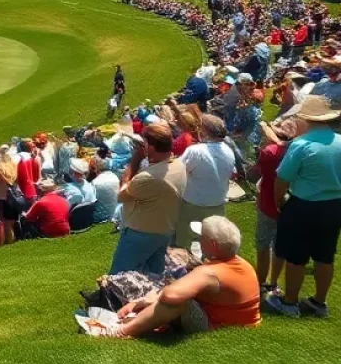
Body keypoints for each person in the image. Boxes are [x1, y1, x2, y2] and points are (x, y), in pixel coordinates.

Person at [98, 216, 260, 338]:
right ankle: (137, 320)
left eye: (201, 237)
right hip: (239, 325)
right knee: (173, 292)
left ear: (213, 245)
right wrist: (137, 304)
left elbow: (171, 296)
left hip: (220, 327)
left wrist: (149, 300)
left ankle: (121, 332)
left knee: (178, 302)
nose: (198, 239)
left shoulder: (210, 272)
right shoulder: (242, 265)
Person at [265, 96, 341, 319]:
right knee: (325, 256)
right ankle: (319, 301)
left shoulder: (302, 144)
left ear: (306, 119)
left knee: (295, 257)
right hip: (334, 207)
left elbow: (282, 179)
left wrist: (279, 202)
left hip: (303, 206)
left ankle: (289, 302)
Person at [109, 121, 185, 275]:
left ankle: (113, 299)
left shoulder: (148, 177)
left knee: (119, 275)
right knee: (154, 274)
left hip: (140, 233)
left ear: (150, 147)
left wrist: (135, 160)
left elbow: (121, 195)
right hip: (164, 230)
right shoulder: (179, 165)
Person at [174, 114, 235, 247]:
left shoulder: (195, 151)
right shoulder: (229, 151)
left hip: (192, 204)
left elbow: (176, 171)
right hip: (217, 203)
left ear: (204, 130)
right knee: (212, 243)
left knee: (185, 242)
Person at [249, 121, 291, 295]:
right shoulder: (296, 150)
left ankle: (260, 281)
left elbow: (257, 174)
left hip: (267, 203)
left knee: (263, 244)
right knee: (280, 246)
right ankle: (273, 283)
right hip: (288, 205)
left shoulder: (270, 152)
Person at [91, 157, 120, 224]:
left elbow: (91, 201)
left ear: (97, 167)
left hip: (100, 217)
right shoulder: (115, 178)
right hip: (114, 214)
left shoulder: (95, 182)